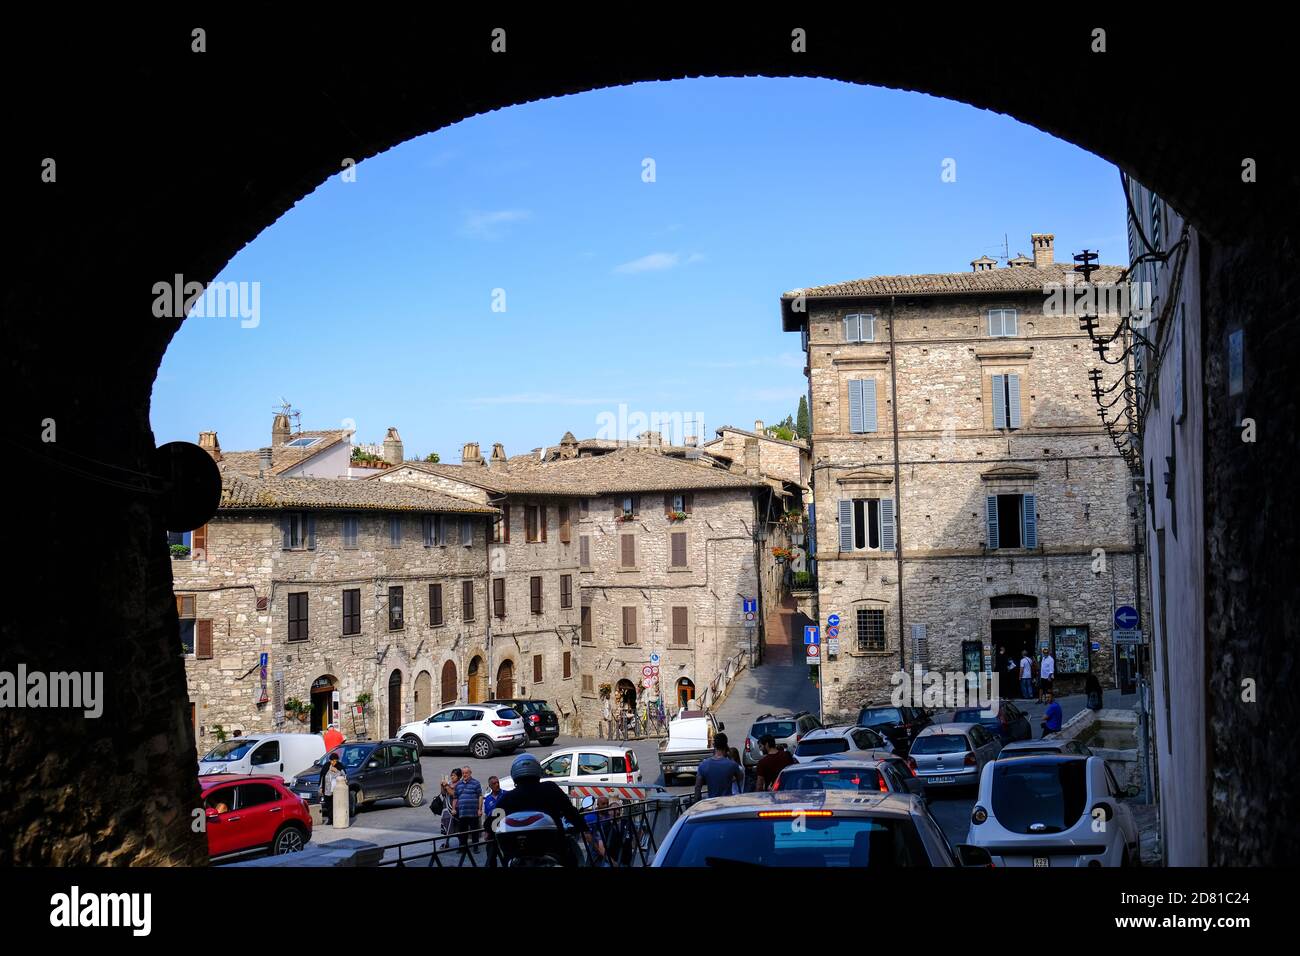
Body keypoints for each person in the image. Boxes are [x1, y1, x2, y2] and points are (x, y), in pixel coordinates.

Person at [493, 753, 606, 866]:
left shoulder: (508, 797)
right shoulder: (550, 788)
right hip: (552, 849)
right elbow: (569, 811)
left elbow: (491, 823)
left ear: (514, 774)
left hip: (517, 854)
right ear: (537, 770)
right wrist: (582, 826)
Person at [693, 732, 744, 801]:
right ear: (726, 745)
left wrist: (696, 803)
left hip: (713, 804)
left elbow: (698, 787)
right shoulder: (732, 765)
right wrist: (730, 756)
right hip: (728, 803)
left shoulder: (704, 765)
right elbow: (740, 777)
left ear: (714, 745)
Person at [454, 765, 484, 860]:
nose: (464, 774)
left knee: (474, 831)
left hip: (473, 812)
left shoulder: (476, 783)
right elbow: (455, 798)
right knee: (462, 831)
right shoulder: (458, 785)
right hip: (462, 812)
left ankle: (475, 847)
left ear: (470, 773)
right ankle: (463, 847)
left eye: (466, 773)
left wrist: (479, 809)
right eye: (463, 773)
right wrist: (453, 808)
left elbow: (480, 796)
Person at [320, 752, 348, 824]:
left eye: (335, 761)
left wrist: (337, 771)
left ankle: (335, 819)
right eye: (332, 761)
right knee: (328, 805)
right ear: (330, 760)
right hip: (326, 789)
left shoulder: (339, 766)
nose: (334, 762)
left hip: (336, 790)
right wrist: (320, 787)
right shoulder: (326, 766)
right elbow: (322, 777)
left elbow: (344, 775)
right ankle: (330, 819)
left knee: (334, 805)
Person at [483, 775, 504, 867]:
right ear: (490, 786)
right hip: (492, 830)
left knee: (505, 855)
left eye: (497, 782)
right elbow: (487, 815)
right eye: (494, 783)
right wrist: (486, 831)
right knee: (491, 855)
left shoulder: (506, 794)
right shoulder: (487, 799)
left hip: (504, 830)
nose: (497, 785)